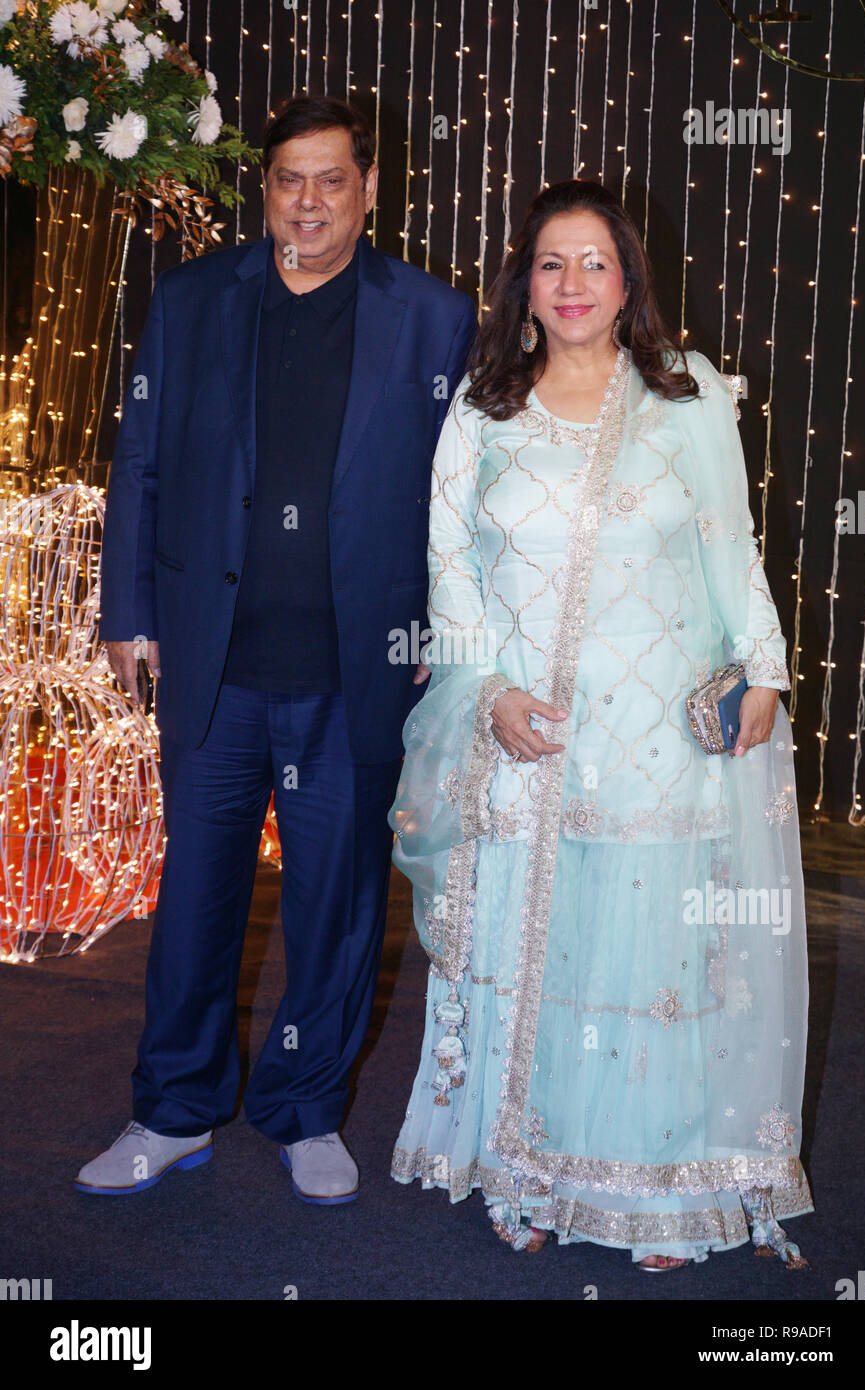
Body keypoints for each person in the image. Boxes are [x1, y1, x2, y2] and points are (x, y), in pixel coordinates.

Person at [389, 179, 812, 1270]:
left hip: (658, 741)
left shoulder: (686, 397)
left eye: (593, 262)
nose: (571, 283)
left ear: (628, 282)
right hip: (526, 732)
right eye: (549, 263)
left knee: (648, 963)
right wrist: (487, 693)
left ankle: (657, 1189)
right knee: (531, 955)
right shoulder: (484, 407)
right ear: (522, 285)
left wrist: (762, 669)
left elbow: (731, 548)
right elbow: (449, 564)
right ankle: (522, 1169)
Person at [78, 95, 476, 1202]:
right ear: (265, 192)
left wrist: (450, 637)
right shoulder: (196, 300)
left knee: (336, 906)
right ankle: (172, 1110)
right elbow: (142, 459)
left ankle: (306, 1112)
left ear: (369, 188)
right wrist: (124, 609)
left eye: (330, 180)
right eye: (287, 181)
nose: (307, 201)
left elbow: (462, 496)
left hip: (360, 669)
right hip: (213, 667)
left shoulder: (432, 318)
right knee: (194, 901)